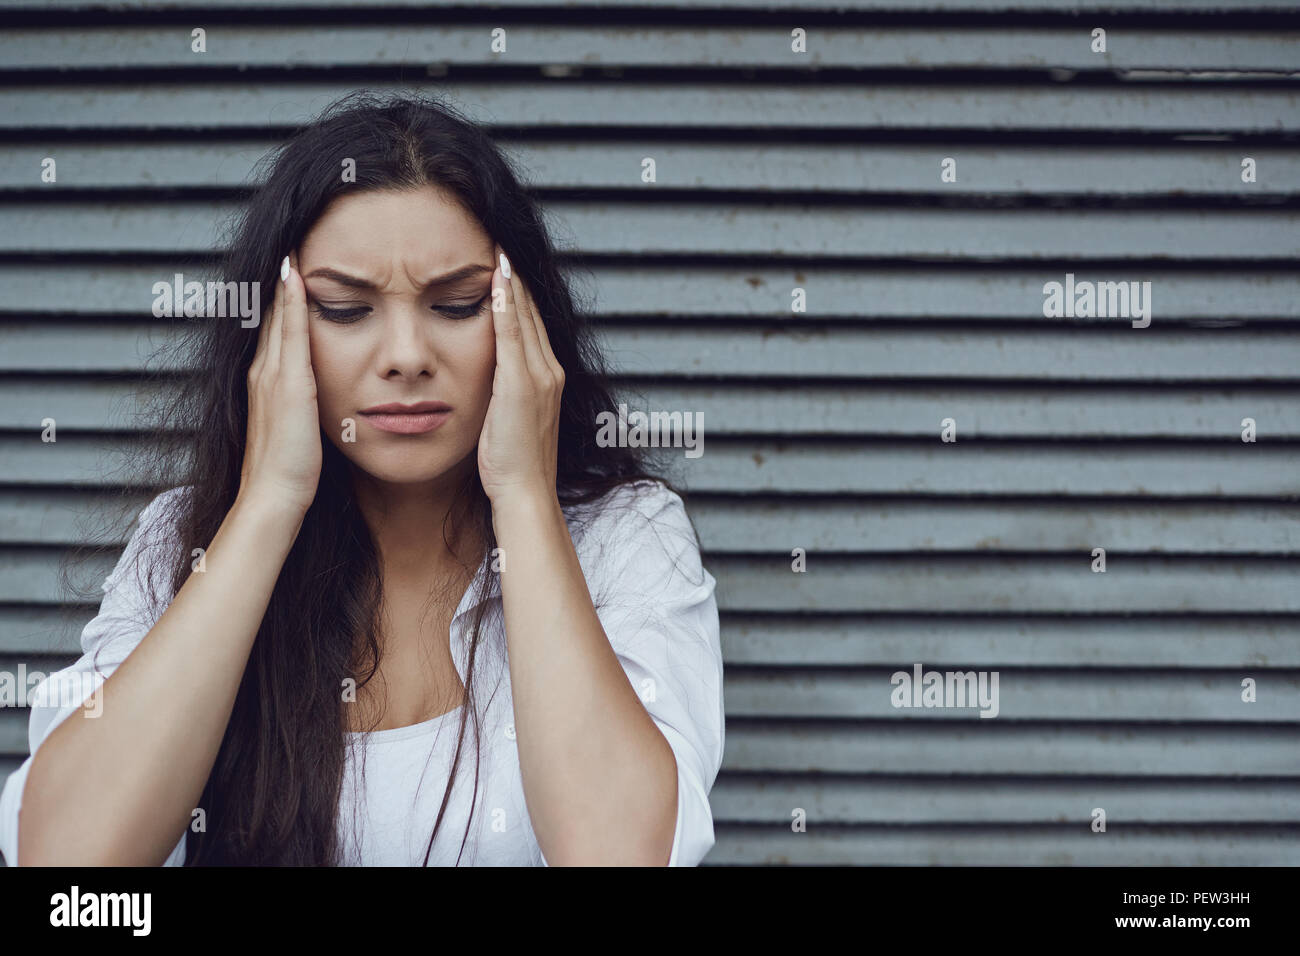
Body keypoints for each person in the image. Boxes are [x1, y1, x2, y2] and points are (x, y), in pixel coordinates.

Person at [0, 91, 724, 866]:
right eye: (346, 310)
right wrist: (269, 503)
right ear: (273, 332)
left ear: (526, 321)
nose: (407, 355)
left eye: (457, 304)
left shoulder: (626, 538)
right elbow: (69, 871)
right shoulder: (189, 539)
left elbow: (619, 856)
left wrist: (523, 494)